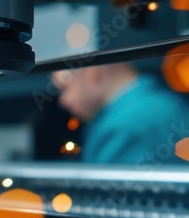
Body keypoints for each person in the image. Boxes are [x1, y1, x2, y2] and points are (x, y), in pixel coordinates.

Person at [53, 63, 188, 164]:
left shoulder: (117, 129)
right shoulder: (169, 102)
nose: (63, 101)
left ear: (91, 71)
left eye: (65, 87)